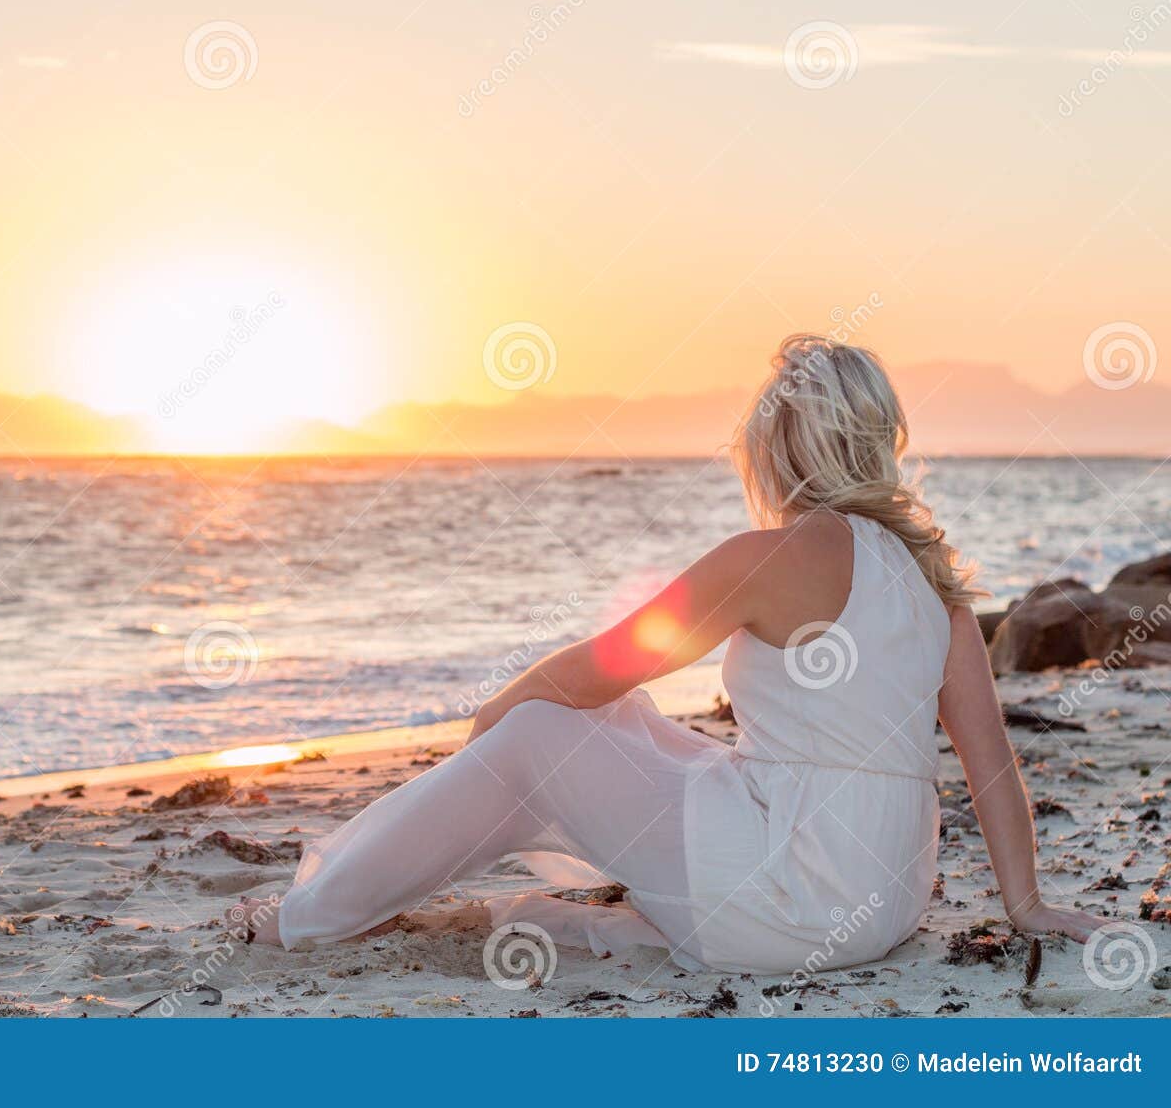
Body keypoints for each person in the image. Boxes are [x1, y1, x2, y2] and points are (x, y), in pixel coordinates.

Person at [238, 334, 1108, 972]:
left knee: (542, 727)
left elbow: (600, 663)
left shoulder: (770, 556)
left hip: (784, 900)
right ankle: (403, 878)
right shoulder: (937, 589)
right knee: (627, 724)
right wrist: (1024, 903)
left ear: (780, 448)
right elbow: (992, 765)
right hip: (884, 903)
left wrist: (501, 713)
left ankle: (308, 914)